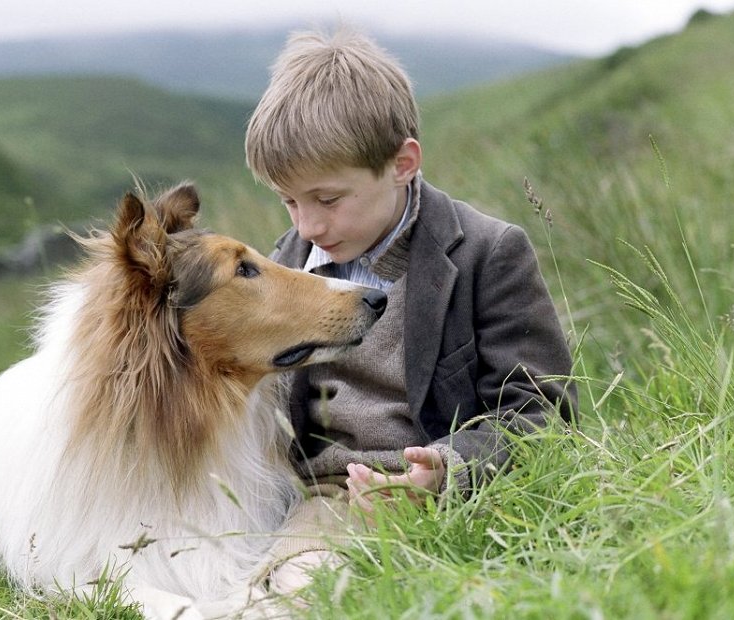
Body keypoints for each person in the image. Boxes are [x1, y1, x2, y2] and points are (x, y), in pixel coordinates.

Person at [244, 26, 577, 595]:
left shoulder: (488, 253)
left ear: (402, 163)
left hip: (439, 490)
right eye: (289, 201)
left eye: (327, 199)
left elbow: (542, 413)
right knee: (281, 582)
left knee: (317, 589)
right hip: (316, 496)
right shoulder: (288, 258)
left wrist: (446, 471)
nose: (308, 225)